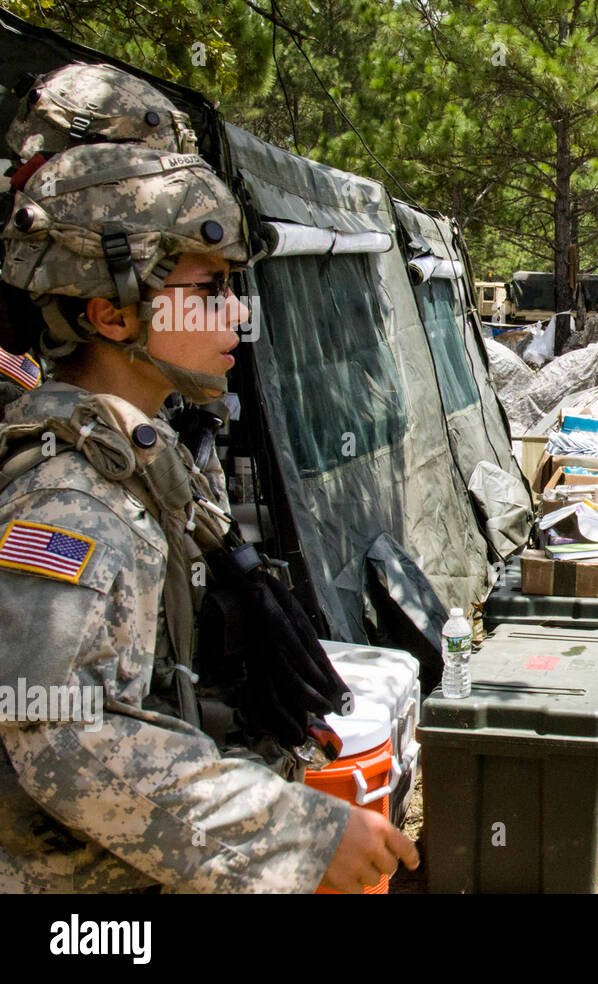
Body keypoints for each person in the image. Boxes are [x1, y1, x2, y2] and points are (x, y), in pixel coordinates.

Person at [0, 117, 418, 890]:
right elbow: (61, 734)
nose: (236, 315)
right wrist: (295, 834)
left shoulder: (145, 457)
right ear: (113, 314)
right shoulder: (68, 503)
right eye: (209, 291)